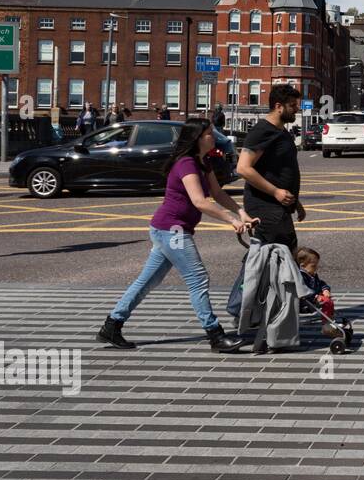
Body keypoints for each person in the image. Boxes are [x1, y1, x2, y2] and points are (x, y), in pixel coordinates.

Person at [98, 118, 254, 352]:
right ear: (197, 138)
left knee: (148, 281)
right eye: (210, 133)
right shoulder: (186, 163)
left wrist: (241, 212)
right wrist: (231, 220)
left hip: (170, 230)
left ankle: (112, 325)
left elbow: (218, 194)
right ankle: (216, 336)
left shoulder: (204, 162)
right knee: (198, 278)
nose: (215, 136)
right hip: (172, 230)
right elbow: (200, 201)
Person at [226, 83, 305, 351]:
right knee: (279, 258)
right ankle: (244, 308)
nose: (297, 109)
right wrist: (275, 192)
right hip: (264, 207)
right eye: (293, 105)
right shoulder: (262, 131)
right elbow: (243, 168)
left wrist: (296, 201)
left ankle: (260, 310)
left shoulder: (281, 132)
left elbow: (281, 170)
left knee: (269, 258)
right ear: (278, 106)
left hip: (279, 206)